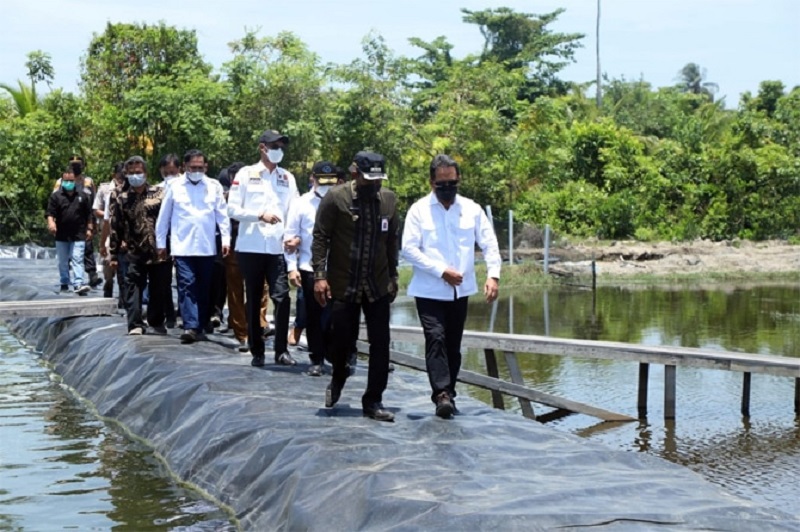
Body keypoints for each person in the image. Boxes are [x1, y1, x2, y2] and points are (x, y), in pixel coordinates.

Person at [402, 154, 501, 418]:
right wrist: (440, 271)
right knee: (435, 338)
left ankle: (450, 392)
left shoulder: (471, 209)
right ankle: (441, 394)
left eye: (452, 183)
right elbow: (408, 249)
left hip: (461, 290)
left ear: (458, 180)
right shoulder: (419, 210)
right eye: (441, 183)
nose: (447, 188)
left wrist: (493, 275)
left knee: (453, 344)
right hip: (428, 289)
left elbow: (489, 243)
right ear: (432, 182)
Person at [312, 151, 399, 422]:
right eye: (369, 179)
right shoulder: (336, 198)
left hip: (377, 283)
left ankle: (373, 399)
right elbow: (320, 237)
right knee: (340, 341)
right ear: (354, 174)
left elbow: (392, 241)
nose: (375, 184)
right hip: (344, 282)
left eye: (378, 180)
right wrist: (319, 276)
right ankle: (338, 377)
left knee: (381, 343)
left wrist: (394, 276)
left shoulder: (389, 200)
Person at [228, 129, 299, 367]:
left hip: (278, 248)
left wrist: (294, 237)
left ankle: (281, 350)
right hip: (251, 246)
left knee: (282, 297)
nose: (278, 150)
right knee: (254, 296)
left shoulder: (287, 178)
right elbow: (233, 209)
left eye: (281, 146)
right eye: (274, 146)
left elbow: (294, 211)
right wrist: (259, 215)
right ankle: (257, 350)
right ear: (262, 147)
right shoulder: (246, 174)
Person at [156, 149, 231, 344]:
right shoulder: (175, 186)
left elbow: (222, 216)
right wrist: (160, 243)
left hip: (206, 247)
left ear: (205, 167)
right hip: (182, 246)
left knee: (205, 287)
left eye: (200, 167)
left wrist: (226, 240)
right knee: (187, 285)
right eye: (193, 168)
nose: (197, 171)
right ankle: (190, 325)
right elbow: (164, 217)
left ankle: (201, 323)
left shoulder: (213, 186)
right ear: (185, 168)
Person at [284, 161, 343, 376]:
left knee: (337, 316)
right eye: (322, 181)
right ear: (313, 179)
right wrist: (292, 268)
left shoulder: (345, 202)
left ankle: (336, 355)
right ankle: (316, 358)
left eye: (331, 181)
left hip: (338, 269)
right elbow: (289, 237)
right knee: (314, 317)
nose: (327, 185)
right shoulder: (300, 204)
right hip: (310, 268)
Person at [108, 156, 171, 335]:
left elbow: (169, 221)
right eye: (132, 173)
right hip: (134, 251)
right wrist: (113, 254)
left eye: (139, 172)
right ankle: (135, 323)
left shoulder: (160, 194)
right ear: (126, 174)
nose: (136, 176)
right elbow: (115, 226)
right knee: (133, 286)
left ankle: (156, 321)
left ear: (146, 173)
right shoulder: (121, 198)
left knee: (159, 287)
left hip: (160, 251)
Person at [46, 165, 94, 295]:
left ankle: (78, 283)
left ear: (75, 181)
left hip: (78, 234)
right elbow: (50, 213)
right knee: (63, 261)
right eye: (66, 181)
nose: (68, 183)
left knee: (77, 258)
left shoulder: (83, 196)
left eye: (71, 181)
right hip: (61, 234)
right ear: (62, 181)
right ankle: (64, 283)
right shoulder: (56, 197)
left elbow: (89, 214)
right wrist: (51, 223)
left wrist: (90, 228)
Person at [56, 156, 101, 288]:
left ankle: (92, 275)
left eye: (78, 164)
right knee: (67, 254)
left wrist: (94, 223)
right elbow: (55, 200)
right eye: (73, 164)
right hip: (66, 223)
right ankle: (67, 279)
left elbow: (94, 202)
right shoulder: (61, 182)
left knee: (87, 247)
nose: (76, 167)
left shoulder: (88, 181)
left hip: (84, 221)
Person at [96, 162, 125, 298]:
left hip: (127, 234)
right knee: (108, 260)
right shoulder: (106, 190)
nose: (121, 181)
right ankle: (109, 283)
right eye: (120, 177)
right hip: (110, 233)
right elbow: (97, 211)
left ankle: (123, 296)